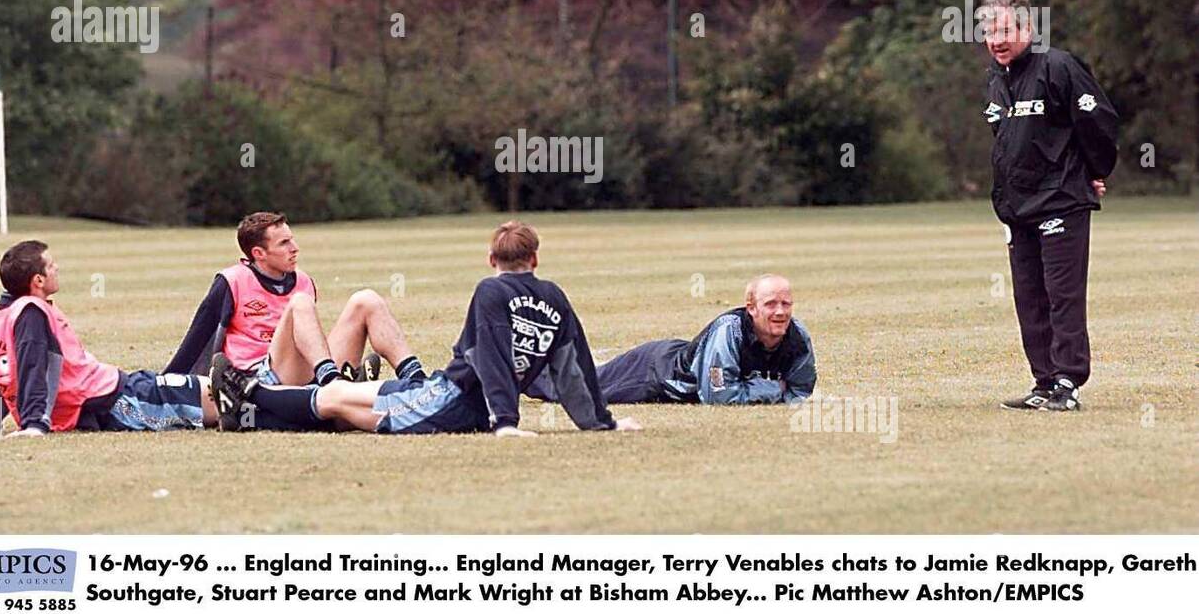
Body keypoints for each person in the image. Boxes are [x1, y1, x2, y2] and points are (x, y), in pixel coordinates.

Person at [210, 221, 641, 437]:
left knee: (340, 404)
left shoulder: (490, 293)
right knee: (341, 398)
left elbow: (491, 356)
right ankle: (249, 397)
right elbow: (573, 366)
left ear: (492, 261)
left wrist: (505, 422)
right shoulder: (556, 297)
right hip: (445, 393)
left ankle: (249, 399)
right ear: (536, 258)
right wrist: (599, 422)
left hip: (453, 402)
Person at [981, 0, 1119, 412]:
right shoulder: (995, 79)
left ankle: (1067, 382)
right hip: (1017, 209)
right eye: (989, 31)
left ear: (1028, 29)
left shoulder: (1058, 66)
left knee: (1063, 296)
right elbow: (1008, 144)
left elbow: (1098, 122)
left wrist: (1093, 172)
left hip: (1061, 203)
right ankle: (1043, 381)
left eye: (1006, 30)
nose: (997, 39)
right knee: (1030, 298)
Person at [0, 240, 217, 436]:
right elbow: (34, 365)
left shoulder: (4, 314)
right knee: (214, 396)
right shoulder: (31, 312)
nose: (56, 269)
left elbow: (1, 374)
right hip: (110, 400)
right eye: (51, 266)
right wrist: (35, 424)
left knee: (206, 390)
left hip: (111, 388)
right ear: (38, 280)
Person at [165, 210, 424, 388]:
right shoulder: (231, 281)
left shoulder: (304, 280)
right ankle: (339, 385)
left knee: (366, 300)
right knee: (300, 303)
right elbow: (197, 340)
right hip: (260, 377)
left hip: (309, 370)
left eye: (293, 239)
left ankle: (417, 380)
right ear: (259, 253)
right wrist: (166, 385)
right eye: (284, 243)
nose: (295, 248)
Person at [530, 274, 816, 405]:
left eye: (786, 304)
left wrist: (772, 391)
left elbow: (800, 390)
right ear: (751, 308)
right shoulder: (729, 332)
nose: (780, 312)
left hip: (680, 356)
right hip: (657, 372)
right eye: (770, 304)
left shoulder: (797, 337)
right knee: (574, 390)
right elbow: (718, 396)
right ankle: (521, 369)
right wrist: (773, 390)